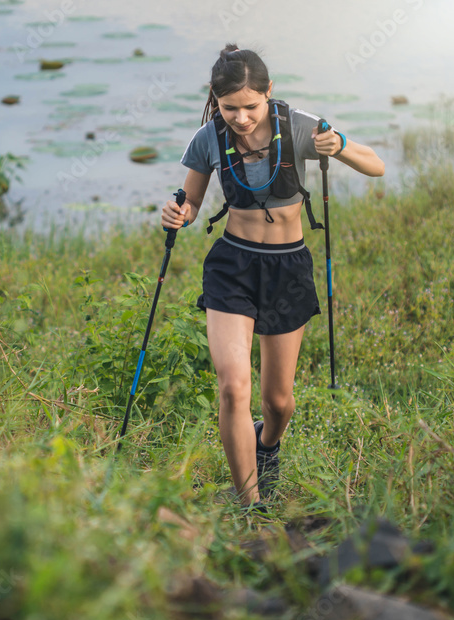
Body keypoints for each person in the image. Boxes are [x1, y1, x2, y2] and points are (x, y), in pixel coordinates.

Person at [161, 44, 385, 510]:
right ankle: (250, 503)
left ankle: (268, 443)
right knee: (232, 386)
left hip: (288, 267)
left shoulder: (299, 126)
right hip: (233, 267)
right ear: (215, 101)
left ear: (268, 93)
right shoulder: (208, 138)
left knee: (278, 403)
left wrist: (339, 144)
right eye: (229, 108)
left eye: (250, 107)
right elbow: (193, 204)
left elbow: (376, 165)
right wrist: (178, 213)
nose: (240, 118)